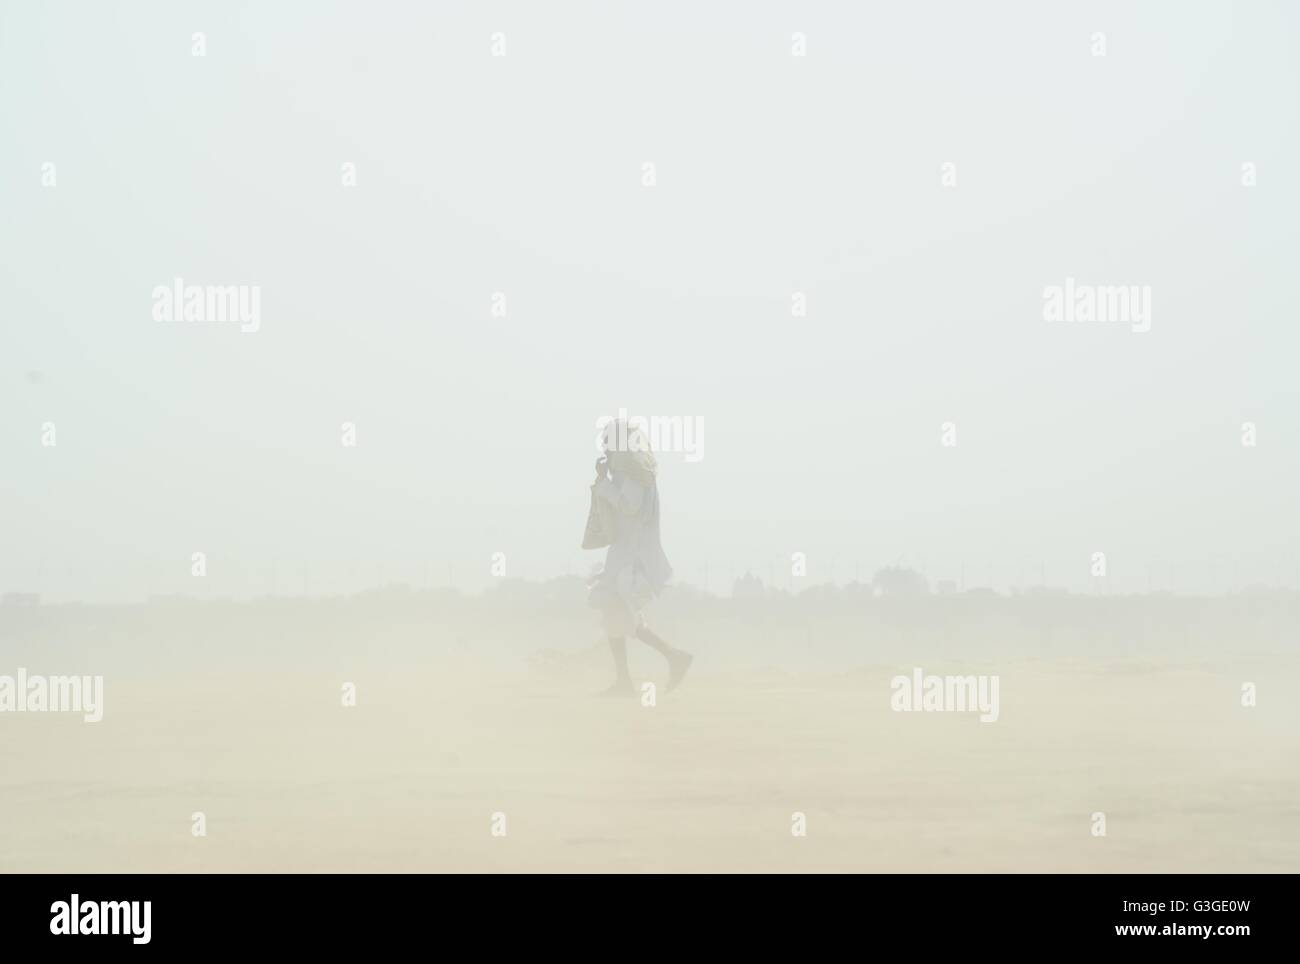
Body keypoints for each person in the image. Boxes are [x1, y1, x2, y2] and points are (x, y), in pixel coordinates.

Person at [587, 420, 692, 695]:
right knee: (615, 615)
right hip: (624, 553)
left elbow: (628, 506)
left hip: (631, 557)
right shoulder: (632, 470)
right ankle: (663, 662)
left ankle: (668, 660)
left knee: (618, 612)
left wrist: (604, 487)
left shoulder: (633, 473)